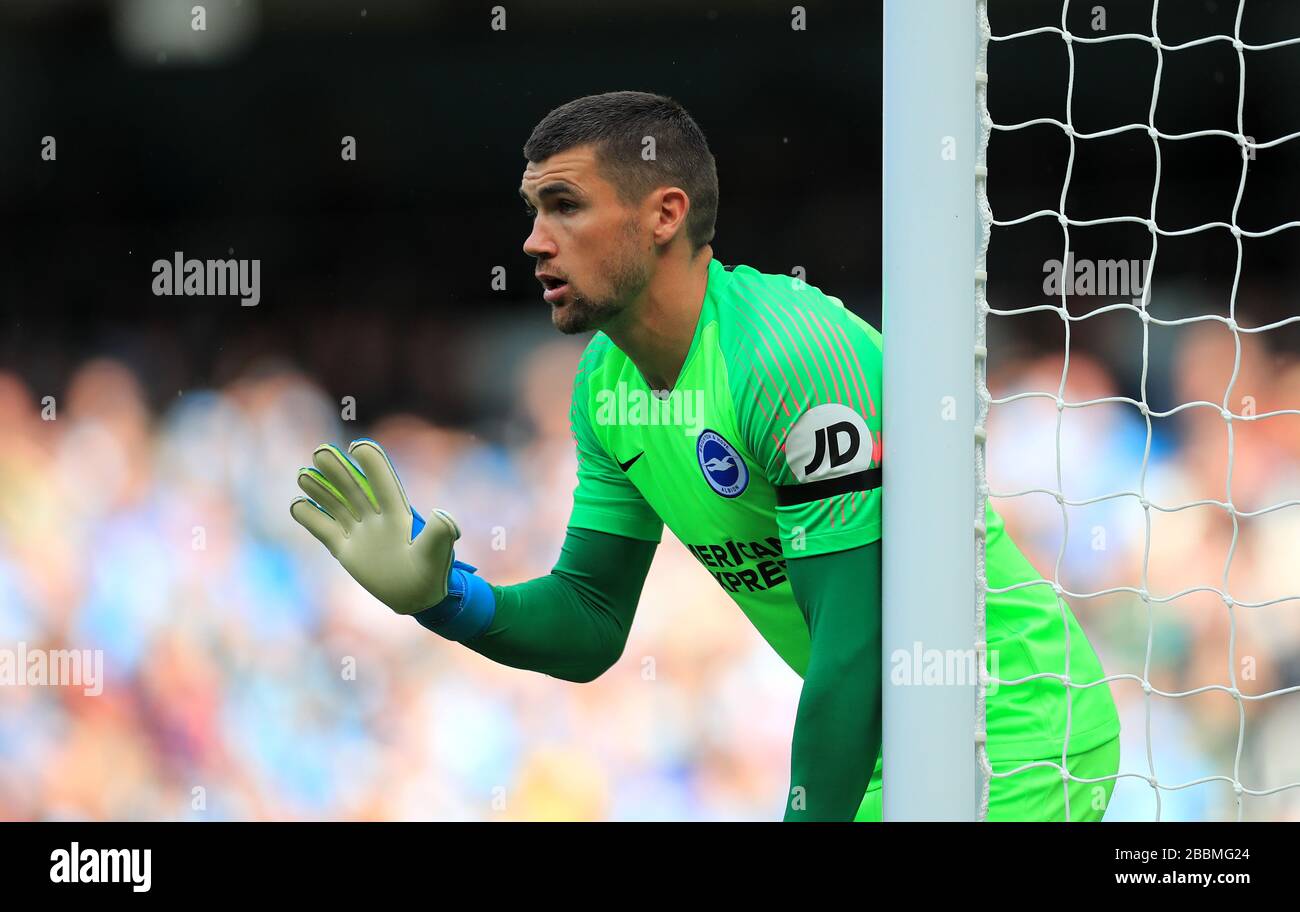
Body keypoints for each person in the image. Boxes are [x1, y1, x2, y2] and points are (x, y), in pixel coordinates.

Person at [291, 90, 1120, 821]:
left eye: (564, 205)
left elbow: (852, 639)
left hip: (1013, 725)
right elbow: (589, 621)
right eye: (533, 209)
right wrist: (445, 599)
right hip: (884, 749)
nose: (535, 241)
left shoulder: (785, 355)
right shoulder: (605, 387)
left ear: (664, 214)